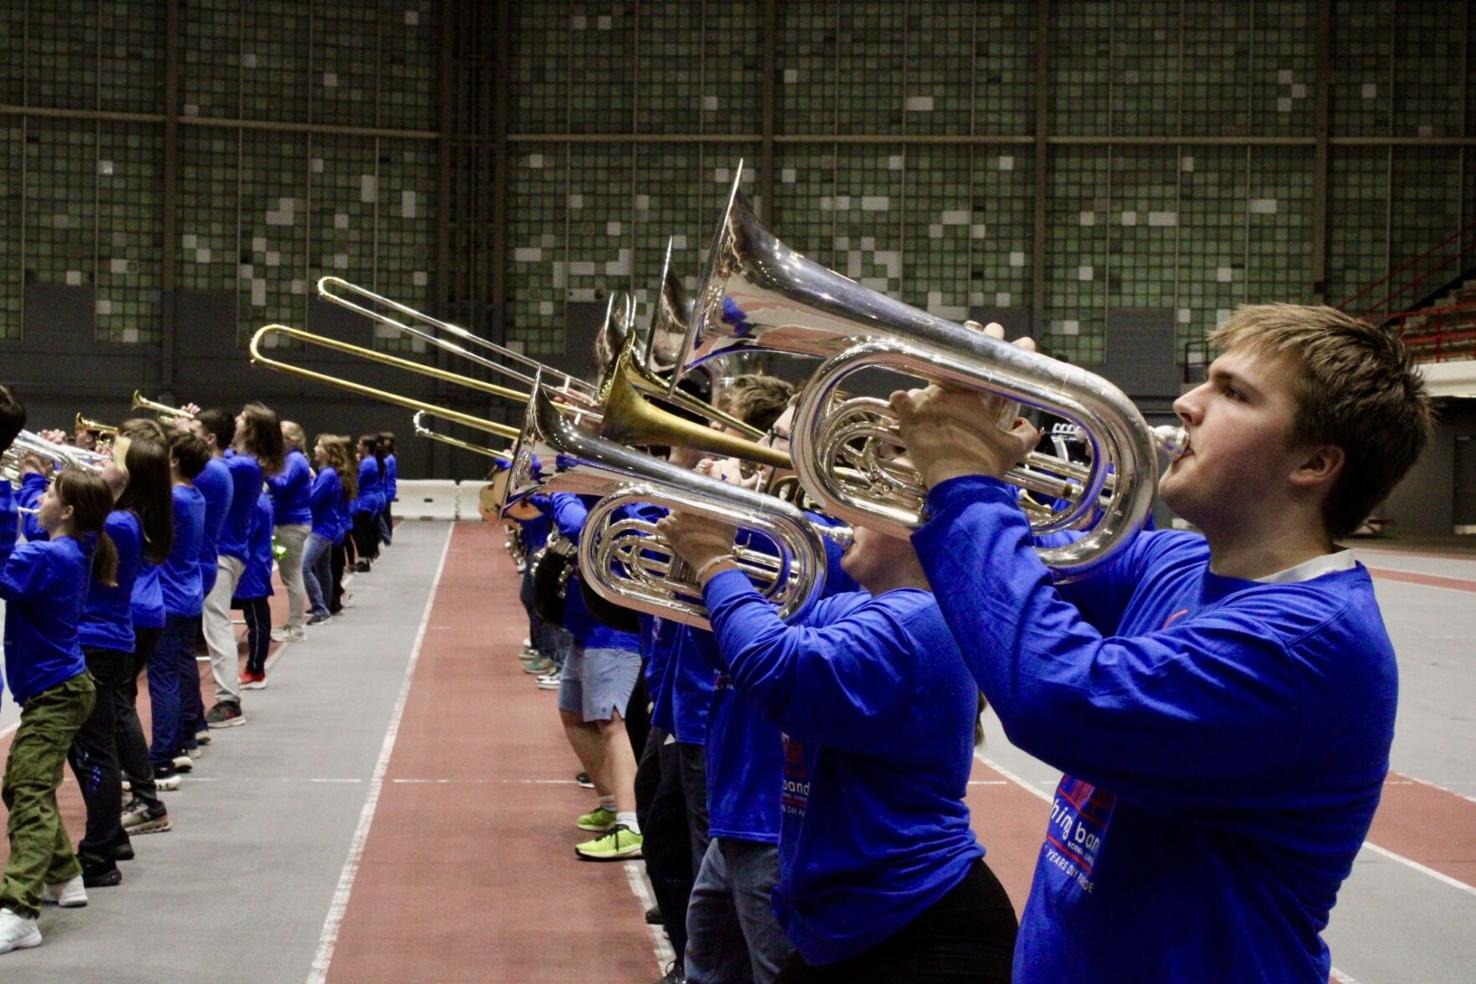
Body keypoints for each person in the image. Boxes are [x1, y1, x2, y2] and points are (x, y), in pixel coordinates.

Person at [889, 305, 1434, 982]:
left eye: (1232, 393)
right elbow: (1015, 571)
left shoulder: (1305, 641)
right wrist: (959, 440)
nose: (1186, 403)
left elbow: (1057, 694)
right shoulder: (1179, 562)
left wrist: (965, 480)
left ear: (1315, 462)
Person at [658, 514, 1017, 982]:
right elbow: (734, 656)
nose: (851, 520)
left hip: (921, 922)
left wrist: (714, 561)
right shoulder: (860, 609)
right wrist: (695, 571)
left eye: (870, 514)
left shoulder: (921, 618)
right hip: (854, 918)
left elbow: (780, 672)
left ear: (922, 537)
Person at [0, 469, 115, 953]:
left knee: (26, 788)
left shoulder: (49, 556)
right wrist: (21, 483)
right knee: (25, 783)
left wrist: (6, 498)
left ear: (67, 511)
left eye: (48, 493)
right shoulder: (70, 549)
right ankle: (65, 876)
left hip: (56, 691)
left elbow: (4, 574)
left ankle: (18, 909)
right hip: (60, 687)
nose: (40, 498)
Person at [131, 430, 209, 834]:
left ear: (175, 462)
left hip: (170, 594)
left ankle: (162, 753)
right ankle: (186, 735)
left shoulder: (174, 498)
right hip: (188, 591)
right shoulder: (193, 495)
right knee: (180, 669)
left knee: (162, 678)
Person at [200, 403, 284, 728]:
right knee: (212, 624)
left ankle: (228, 700)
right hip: (220, 551)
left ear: (252, 431)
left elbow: (202, 467)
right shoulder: (239, 462)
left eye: (242, 419)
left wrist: (191, 436)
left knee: (217, 624)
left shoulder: (246, 466)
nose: (235, 419)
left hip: (225, 552)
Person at [189, 408, 236, 742]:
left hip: (214, 556)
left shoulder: (210, 469)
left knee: (217, 627)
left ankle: (229, 700)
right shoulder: (219, 466)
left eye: (193, 433)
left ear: (210, 439)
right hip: (214, 555)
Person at [268, 420, 313, 642]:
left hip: (292, 526)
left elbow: (282, 485)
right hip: (285, 524)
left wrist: (265, 470)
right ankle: (293, 624)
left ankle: (296, 627)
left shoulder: (295, 460)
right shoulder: (290, 459)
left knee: (292, 575)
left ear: (292, 441)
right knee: (287, 572)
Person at [303, 433, 353, 625]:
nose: (315, 449)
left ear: (328, 452)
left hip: (322, 529)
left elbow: (313, 500)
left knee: (304, 567)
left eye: (319, 446)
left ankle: (319, 607)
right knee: (323, 568)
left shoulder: (328, 475)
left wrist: (306, 481)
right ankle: (326, 604)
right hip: (326, 526)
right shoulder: (327, 473)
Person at [234, 490, 276, 690]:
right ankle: (255, 667)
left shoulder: (254, 503)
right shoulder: (258, 499)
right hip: (255, 566)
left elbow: (245, 535)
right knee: (257, 619)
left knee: (257, 622)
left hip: (252, 569)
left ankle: (256, 669)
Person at [350, 434, 384, 572]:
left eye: (359, 444)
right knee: (364, 530)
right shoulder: (370, 461)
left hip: (365, 501)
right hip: (368, 499)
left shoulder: (367, 463)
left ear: (366, 447)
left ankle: (363, 560)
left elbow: (358, 482)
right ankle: (367, 556)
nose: (357, 446)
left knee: (359, 531)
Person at [377, 431, 397, 547]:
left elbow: (385, 475)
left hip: (387, 490)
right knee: (385, 514)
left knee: (385, 514)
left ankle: (387, 535)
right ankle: (387, 535)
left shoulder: (389, 459)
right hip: (387, 489)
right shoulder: (389, 457)